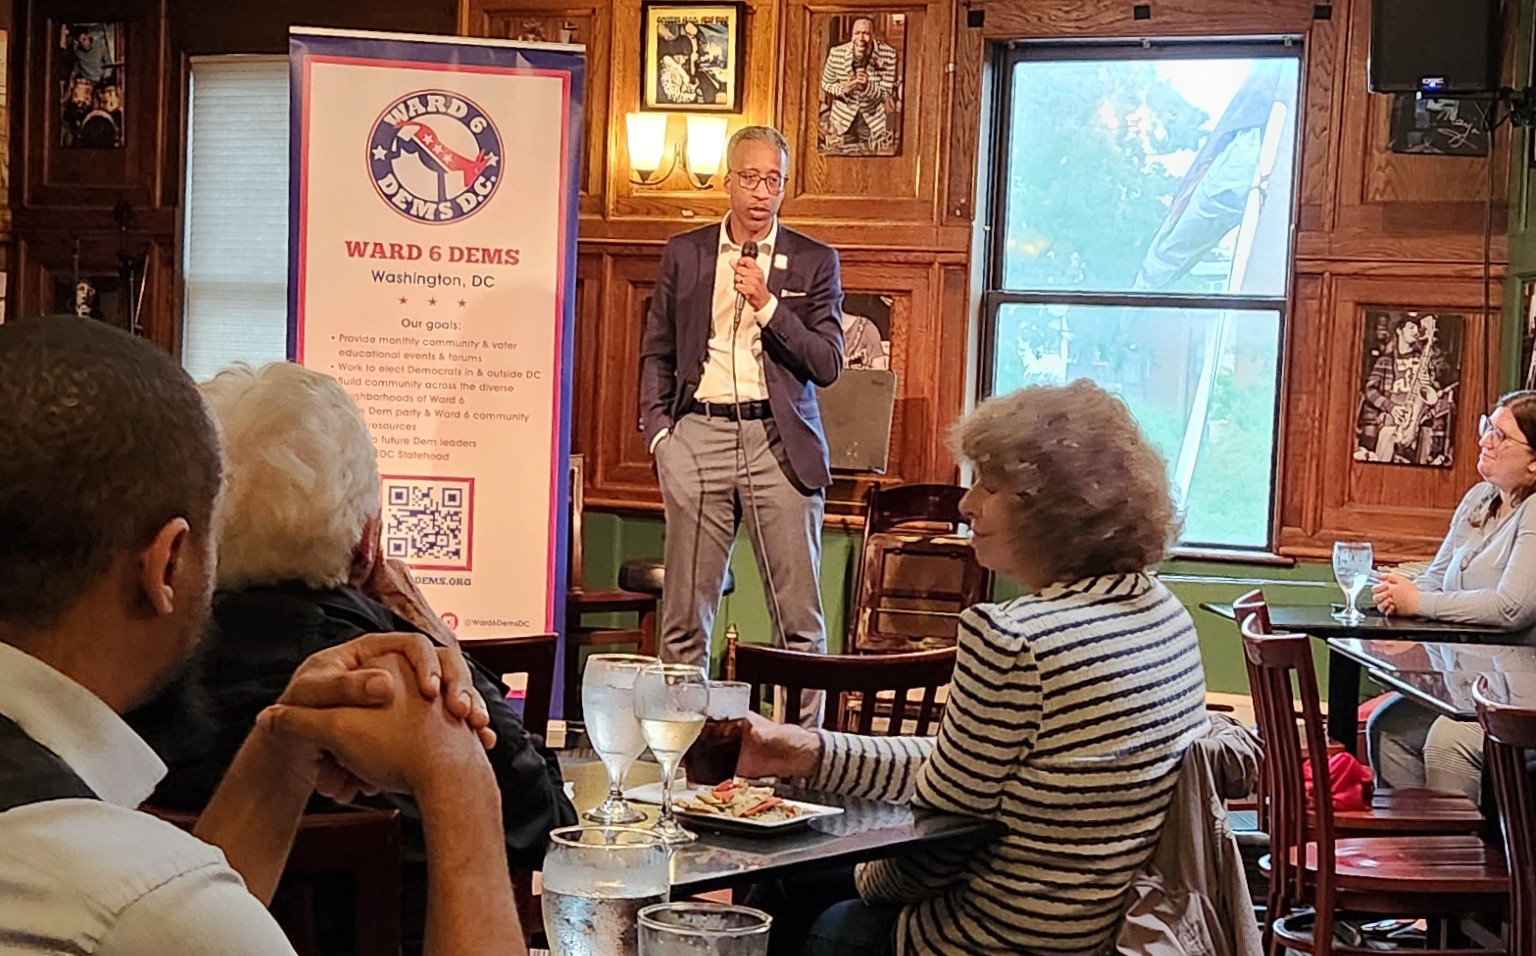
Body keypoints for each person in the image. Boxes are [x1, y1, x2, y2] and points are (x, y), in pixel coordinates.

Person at [0, 315, 520, 956]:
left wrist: (278, 752)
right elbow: (161, 916)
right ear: (168, 564)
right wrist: (458, 778)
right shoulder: (132, 900)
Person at [739, 380, 1210, 956]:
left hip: (995, 937)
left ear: (1052, 509)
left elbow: (938, 847)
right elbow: (969, 770)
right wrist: (801, 751)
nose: (966, 505)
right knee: (799, 874)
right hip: (1099, 927)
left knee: (798, 891)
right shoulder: (1162, 612)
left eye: (989, 485)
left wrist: (860, 878)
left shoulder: (1017, 638)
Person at [126, 361, 575, 953]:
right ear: (367, 541)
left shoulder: (133, 685)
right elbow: (552, 827)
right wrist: (439, 641)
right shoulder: (421, 690)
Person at [640, 125, 844, 726]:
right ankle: (682, 753)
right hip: (698, 434)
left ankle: (800, 754)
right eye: (750, 178)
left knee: (799, 624)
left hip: (778, 442)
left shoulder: (814, 261)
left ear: (785, 187)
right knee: (685, 621)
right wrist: (661, 435)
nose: (761, 192)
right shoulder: (687, 253)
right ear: (727, 181)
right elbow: (656, 349)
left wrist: (768, 304)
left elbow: (827, 363)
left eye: (773, 181)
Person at [1368, 390, 1536, 800]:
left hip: (1521, 696)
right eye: (1487, 428)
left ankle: (1464, 841)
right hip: (1468, 683)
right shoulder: (1479, 497)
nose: (1484, 441)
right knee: (1387, 727)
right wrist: (1398, 596)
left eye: (1500, 436)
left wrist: (1419, 604)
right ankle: (1417, 839)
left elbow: (1510, 607)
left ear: (1534, 462)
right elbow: (1435, 578)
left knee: (1448, 741)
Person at [1357, 314, 1447, 464]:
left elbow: (1430, 392)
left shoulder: (1423, 360)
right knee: (1383, 457)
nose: (1415, 332)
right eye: (1411, 328)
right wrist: (1391, 407)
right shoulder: (1385, 361)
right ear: (1399, 331)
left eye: (1417, 329)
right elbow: (1370, 390)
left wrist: (1416, 422)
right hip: (1392, 421)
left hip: (1419, 423)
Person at [819, 18, 898, 152]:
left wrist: (868, 86)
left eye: (866, 34)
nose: (861, 38)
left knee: (871, 160)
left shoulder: (888, 55)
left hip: (872, 121)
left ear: (873, 36)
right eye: (857, 33)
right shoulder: (836, 53)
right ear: (852, 35)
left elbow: (886, 93)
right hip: (842, 120)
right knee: (837, 157)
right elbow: (826, 83)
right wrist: (843, 89)